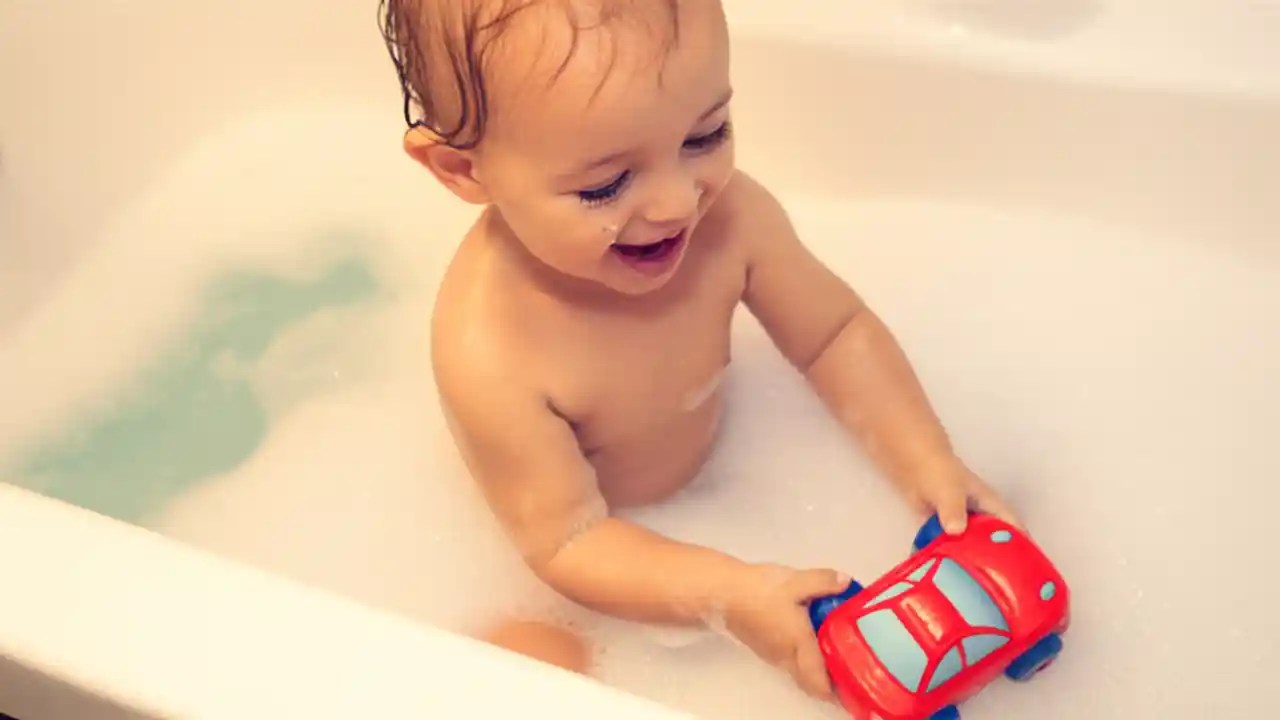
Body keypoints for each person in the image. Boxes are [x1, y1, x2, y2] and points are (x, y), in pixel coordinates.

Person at [378, 0, 1018, 700]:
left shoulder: (733, 219)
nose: (679, 202)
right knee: (527, 667)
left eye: (705, 134)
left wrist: (926, 457)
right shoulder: (492, 351)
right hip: (604, 556)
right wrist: (729, 595)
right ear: (462, 171)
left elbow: (833, 333)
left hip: (720, 486)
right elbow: (568, 542)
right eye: (605, 185)